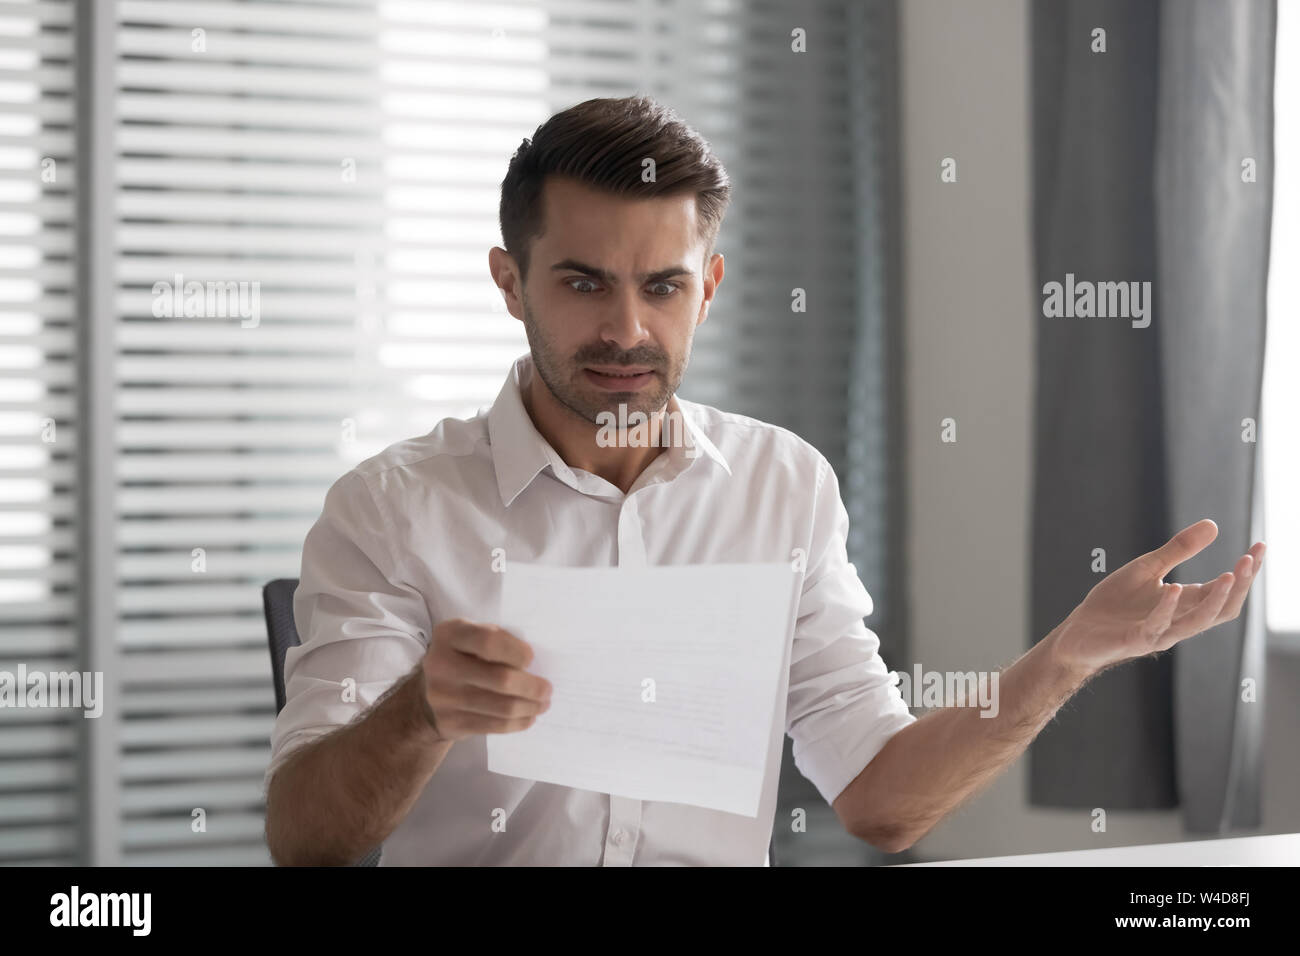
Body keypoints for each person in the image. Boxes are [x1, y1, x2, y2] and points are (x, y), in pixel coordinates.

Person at [263, 95, 1264, 866]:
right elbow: (307, 839)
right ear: (509, 279)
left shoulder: (784, 484)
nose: (626, 329)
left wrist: (1072, 652)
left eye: (661, 286)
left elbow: (880, 799)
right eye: (581, 282)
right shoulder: (391, 507)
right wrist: (418, 711)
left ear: (708, 286)